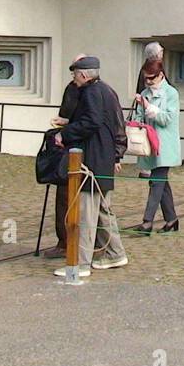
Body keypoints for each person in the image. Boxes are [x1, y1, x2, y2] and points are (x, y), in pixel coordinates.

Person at [52, 56, 129, 272]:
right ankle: (116, 254)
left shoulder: (91, 92)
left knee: (86, 212)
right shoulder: (106, 90)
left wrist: (65, 134)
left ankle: (80, 264)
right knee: (103, 210)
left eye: (75, 74)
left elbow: (92, 122)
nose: (73, 79)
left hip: (92, 160)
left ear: (84, 75)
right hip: (104, 159)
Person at [43, 54, 90, 259]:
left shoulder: (93, 92)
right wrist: (62, 122)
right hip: (67, 149)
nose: (74, 74)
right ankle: (63, 241)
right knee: (63, 195)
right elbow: (67, 113)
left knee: (88, 198)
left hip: (86, 149)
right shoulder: (71, 89)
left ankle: (87, 242)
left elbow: (90, 121)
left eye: (77, 70)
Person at [126, 68, 182, 234]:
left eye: (152, 78)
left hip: (165, 145)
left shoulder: (171, 94)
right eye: (146, 79)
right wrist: (137, 118)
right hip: (149, 144)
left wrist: (148, 106)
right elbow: (138, 117)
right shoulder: (144, 92)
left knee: (156, 181)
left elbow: (167, 119)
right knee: (162, 183)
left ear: (161, 75)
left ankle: (147, 222)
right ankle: (171, 219)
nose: (149, 82)